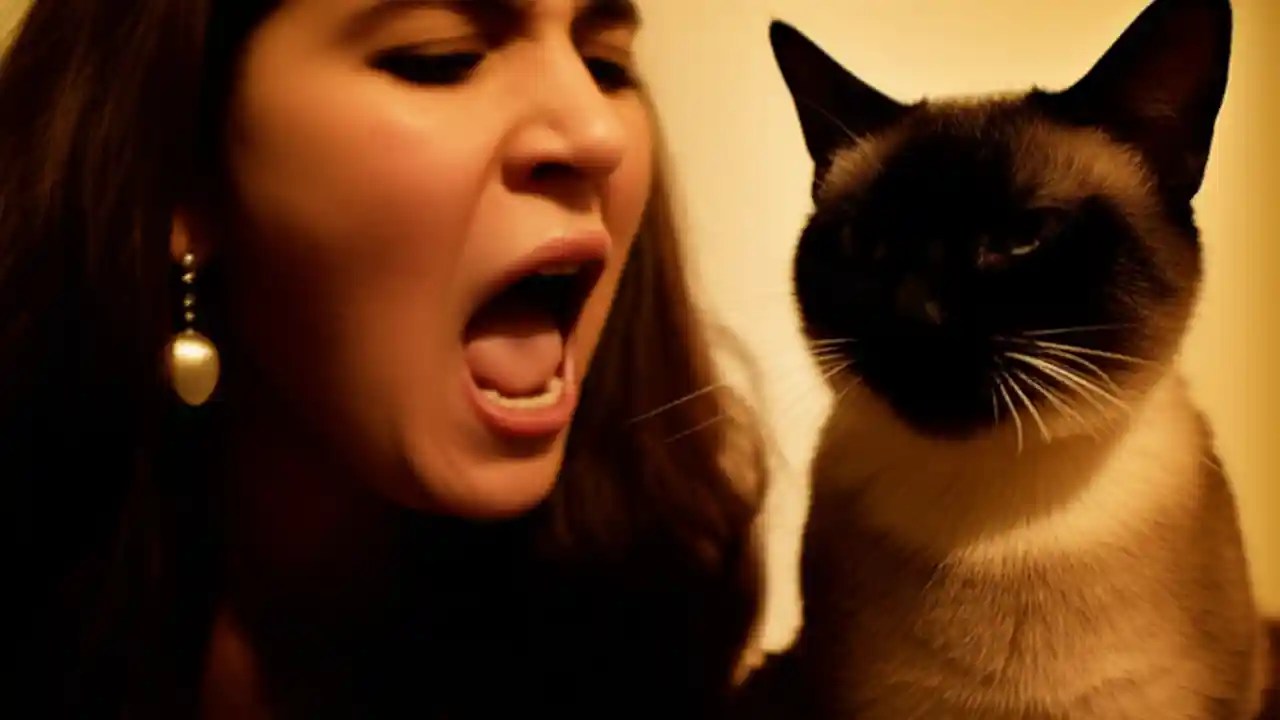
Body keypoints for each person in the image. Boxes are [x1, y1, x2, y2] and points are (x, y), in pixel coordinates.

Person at [2, 1, 769, 717]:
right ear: (184, 167)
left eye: (606, 64)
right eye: (442, 58)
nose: (598, 133)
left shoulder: (657, 615)